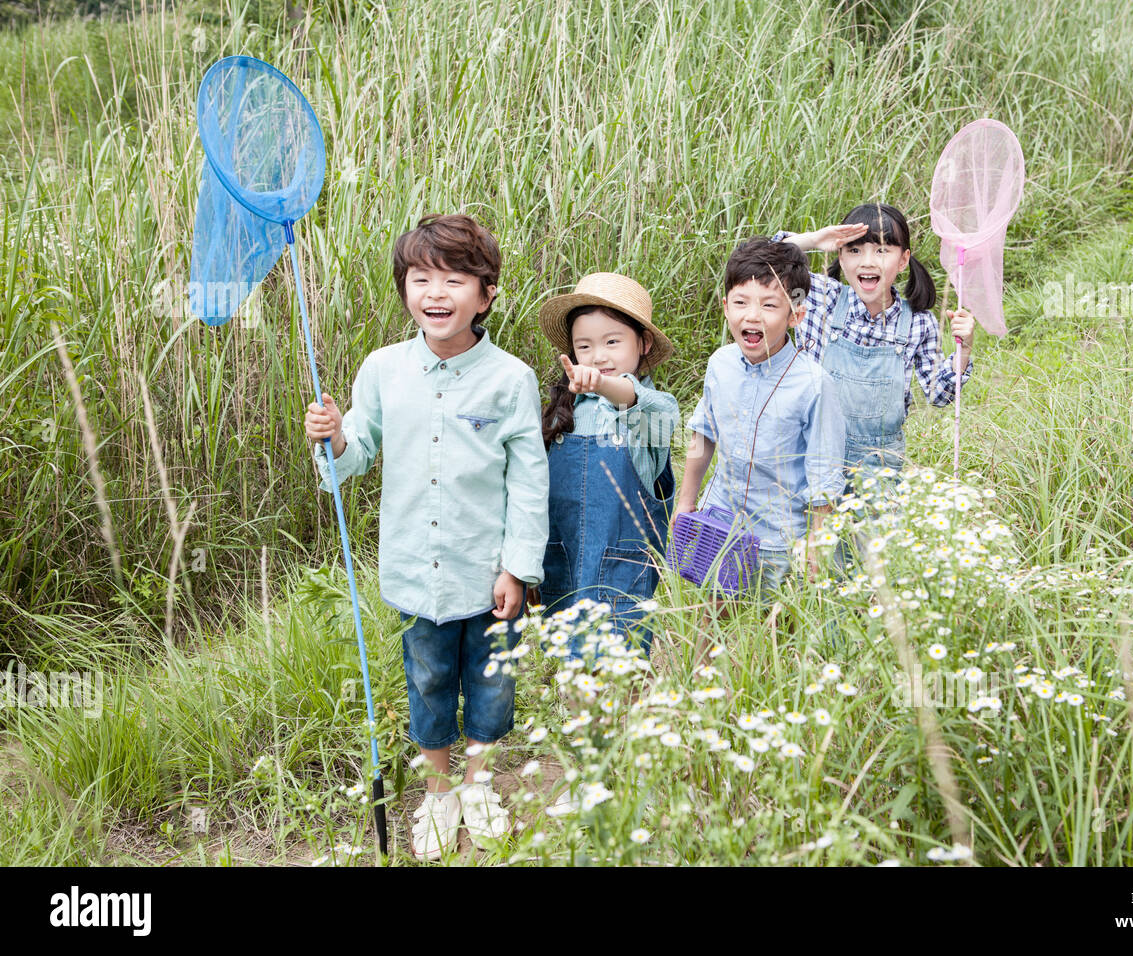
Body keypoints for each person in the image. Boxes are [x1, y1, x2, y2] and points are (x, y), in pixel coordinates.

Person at [302, 213, 548, 861]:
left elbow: (527, 482)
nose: (436, 293)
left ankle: (477, 783)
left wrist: (518, 567)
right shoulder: (383, 370)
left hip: (490, 569)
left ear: (487, 293)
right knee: (430, 678)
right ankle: (439, 790)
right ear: (404, 289)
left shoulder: (510, 378)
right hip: (417, 569)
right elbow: (355, 455)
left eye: (454, 278)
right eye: (420, 278)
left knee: (493, 682)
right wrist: (332, 439)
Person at [674, 238, 846, 593]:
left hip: (780, 538)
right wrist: (686, 501)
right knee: (712, 612)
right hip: (720, 520)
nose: (751, 316)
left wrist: (815, 542)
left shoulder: (813, 384)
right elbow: (703, 434)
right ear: (725, 307)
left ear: (795, 315)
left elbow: (823, 473)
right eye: (740, 303)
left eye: (769, 305)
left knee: (777, 630)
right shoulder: (720, 364)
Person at [776, 202, 977, 476]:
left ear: (903, 260)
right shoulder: (819, 298)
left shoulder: (919, 323)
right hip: (807, 451)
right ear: (841, 257)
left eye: (882, 250)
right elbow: (764, 263)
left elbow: (939, 395)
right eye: (855, 250)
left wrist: (963, 352)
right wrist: (812, 240)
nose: (867, 261)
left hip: (876, 467)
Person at [536, 273, 678, 658]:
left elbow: (630, 397)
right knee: (570, 685)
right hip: (562, 571)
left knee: (618, 681)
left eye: (612, 342)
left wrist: (600, 385)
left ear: (643, 343)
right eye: (585, 346)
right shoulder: (558, 416)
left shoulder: (655, 409)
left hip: (622, 576)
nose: (598, 356)